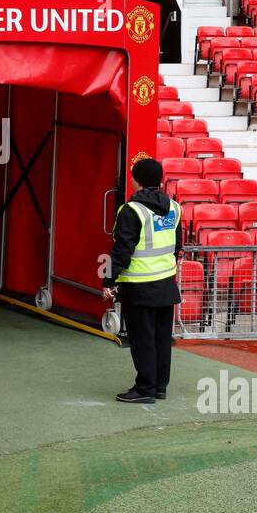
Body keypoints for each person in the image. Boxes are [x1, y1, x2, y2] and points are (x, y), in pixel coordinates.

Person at [103, 157, 181, 404]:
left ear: (135, 181)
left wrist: (108, 280)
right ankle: (159, 386)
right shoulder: (174, 207)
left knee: (142, 339)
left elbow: (122, 250)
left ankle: (145, 388)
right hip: (166, 283)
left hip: (139, 285)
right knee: (160, 338)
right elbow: (177, 246)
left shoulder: (131, 210)